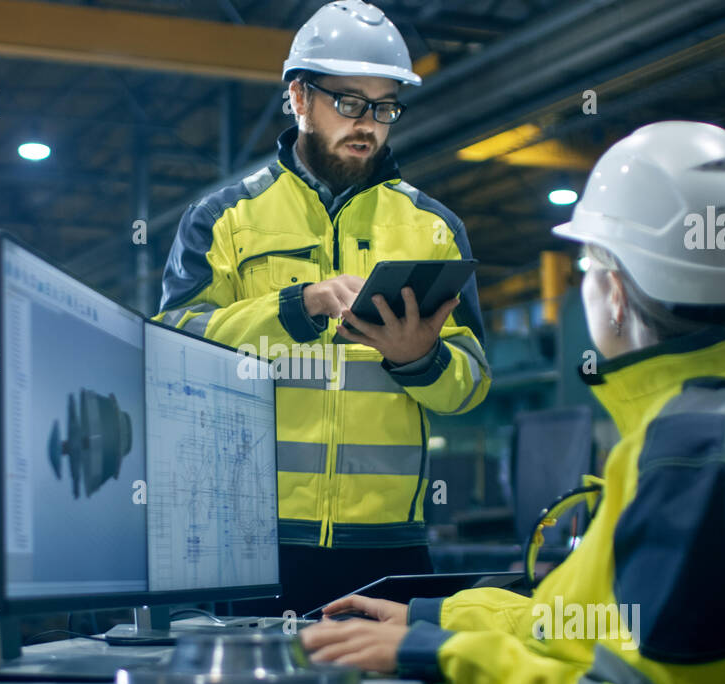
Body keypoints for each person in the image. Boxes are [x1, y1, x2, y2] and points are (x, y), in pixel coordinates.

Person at [301, 121, 725, 684]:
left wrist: (438, 655)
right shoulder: (721, 425)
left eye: (585, 262)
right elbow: (587, 621)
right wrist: (431, 620)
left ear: (615, 294)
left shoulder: (699, 460)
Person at [154, 0, 491, 615]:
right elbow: (171, 348)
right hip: (251, 544)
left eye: (385, 107)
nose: (369, 124)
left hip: (390, 551)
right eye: (350, 102)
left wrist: (422, 359)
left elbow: (469, 387)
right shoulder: (224, 219)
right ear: (300, 97)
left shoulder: (434, 228)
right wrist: (295, 308)